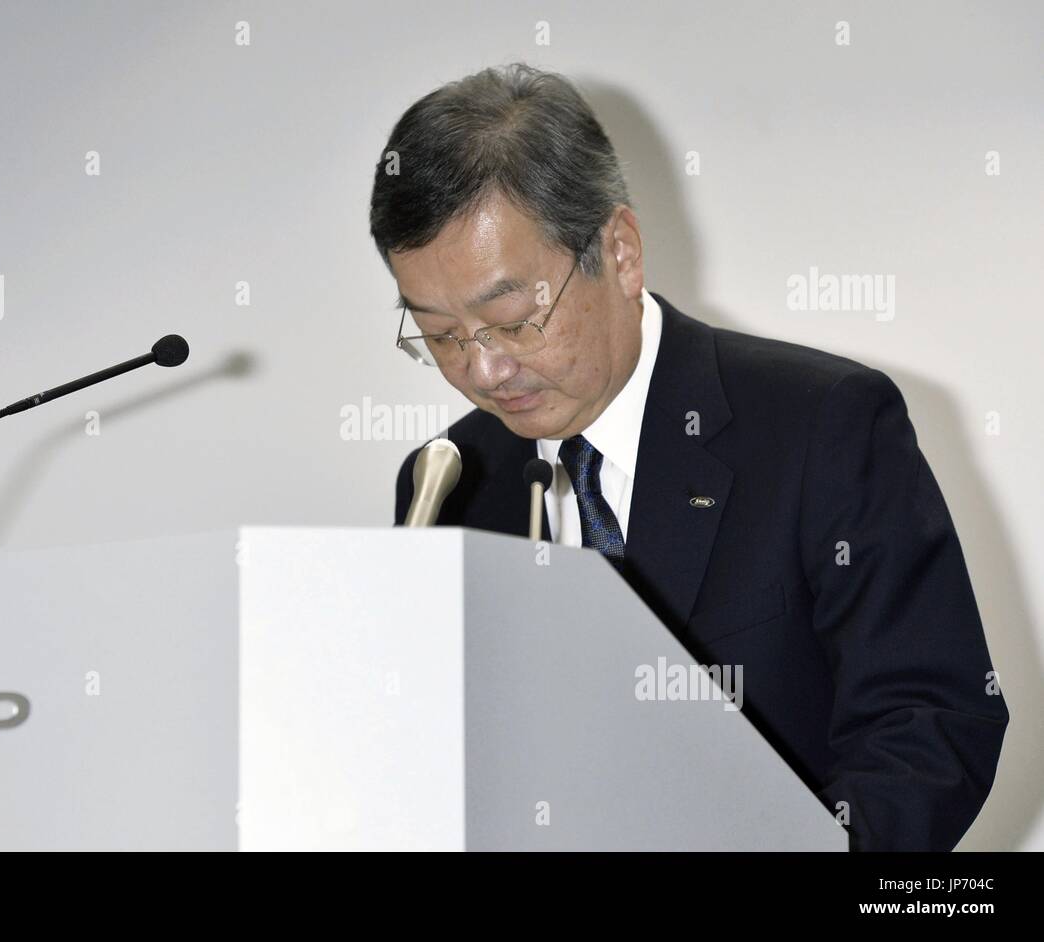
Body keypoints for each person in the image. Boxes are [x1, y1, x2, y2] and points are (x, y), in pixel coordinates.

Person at [370, 63, 1008, 852]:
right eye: (439, 335)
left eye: (511, 319)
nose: (483, 370)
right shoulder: (447, 480)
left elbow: (930, 724)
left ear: (622, 253)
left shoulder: (821, 424)